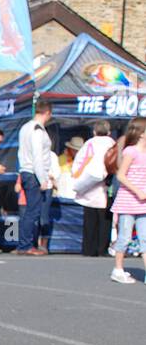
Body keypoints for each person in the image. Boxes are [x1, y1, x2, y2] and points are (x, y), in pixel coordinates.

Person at [109, 118, 146, 285]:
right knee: (124, 237)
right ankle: (118, 270)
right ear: (141, 133)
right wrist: (138, 191)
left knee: (145, 238)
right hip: (127, 201)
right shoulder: (131, 151)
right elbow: (121, 175)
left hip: (143, 203)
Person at [71, 120, 114, 257]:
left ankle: (88, 249)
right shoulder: (112, 143)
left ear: (94, 132)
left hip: (88, 186)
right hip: (104, 186)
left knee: (89, 219)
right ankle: (102, 249)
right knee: (105, 220)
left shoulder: (88, 144)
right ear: (109, 132)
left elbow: (78, 163)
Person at [16, 97, 53, 255]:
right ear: (48, 113)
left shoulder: (25, 127)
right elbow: (38, 156)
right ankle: (26, 245)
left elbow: (21, 153)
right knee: (33, 211)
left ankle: (24, 244)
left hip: (25, 170)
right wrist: (42, 178)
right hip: (33, 173)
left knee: (29, 211)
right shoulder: (38, 130)